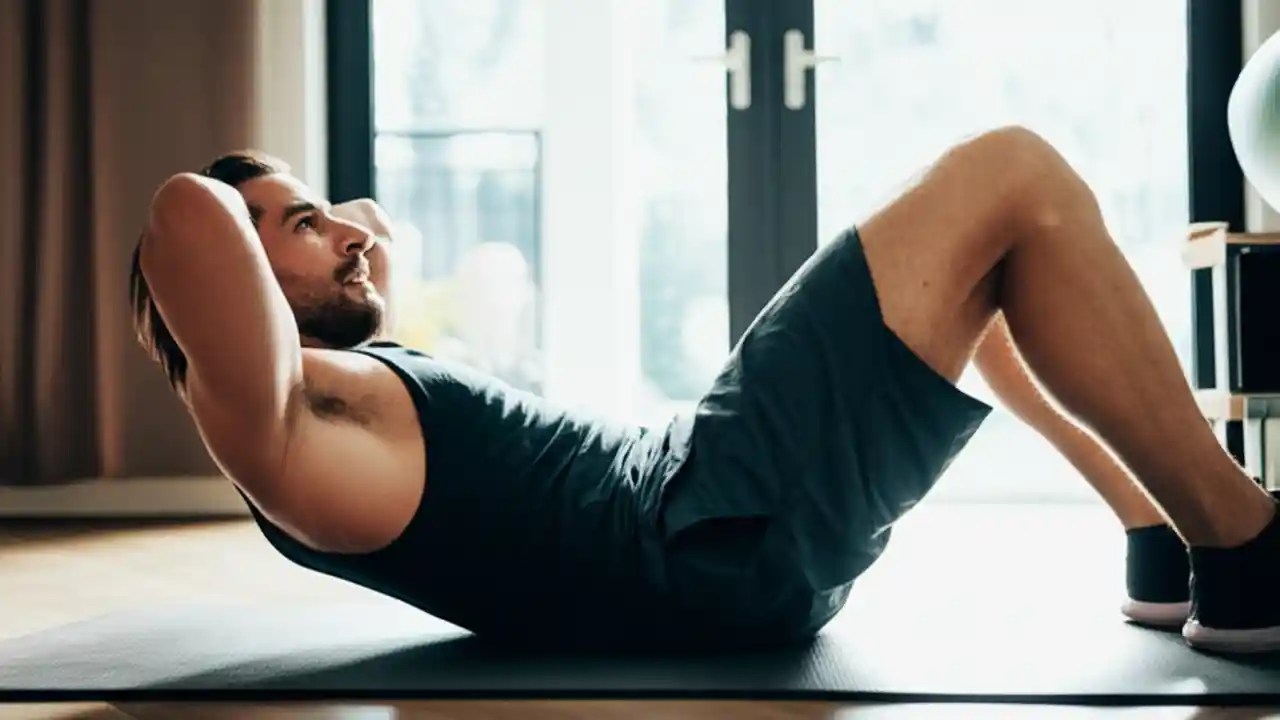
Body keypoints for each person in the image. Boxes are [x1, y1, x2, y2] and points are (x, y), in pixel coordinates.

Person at [129, 126, 1280, 655]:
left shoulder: (339, 397)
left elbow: (369, 238)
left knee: (979, 269)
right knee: (1009, 171)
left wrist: (325, 232)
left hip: (710, 510)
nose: (348, 230)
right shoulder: (279, 434)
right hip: (711, 526)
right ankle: (1244, 545)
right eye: (301, 222)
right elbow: (187, 210)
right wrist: (248, 214)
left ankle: (1155, 539)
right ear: (225, 282)